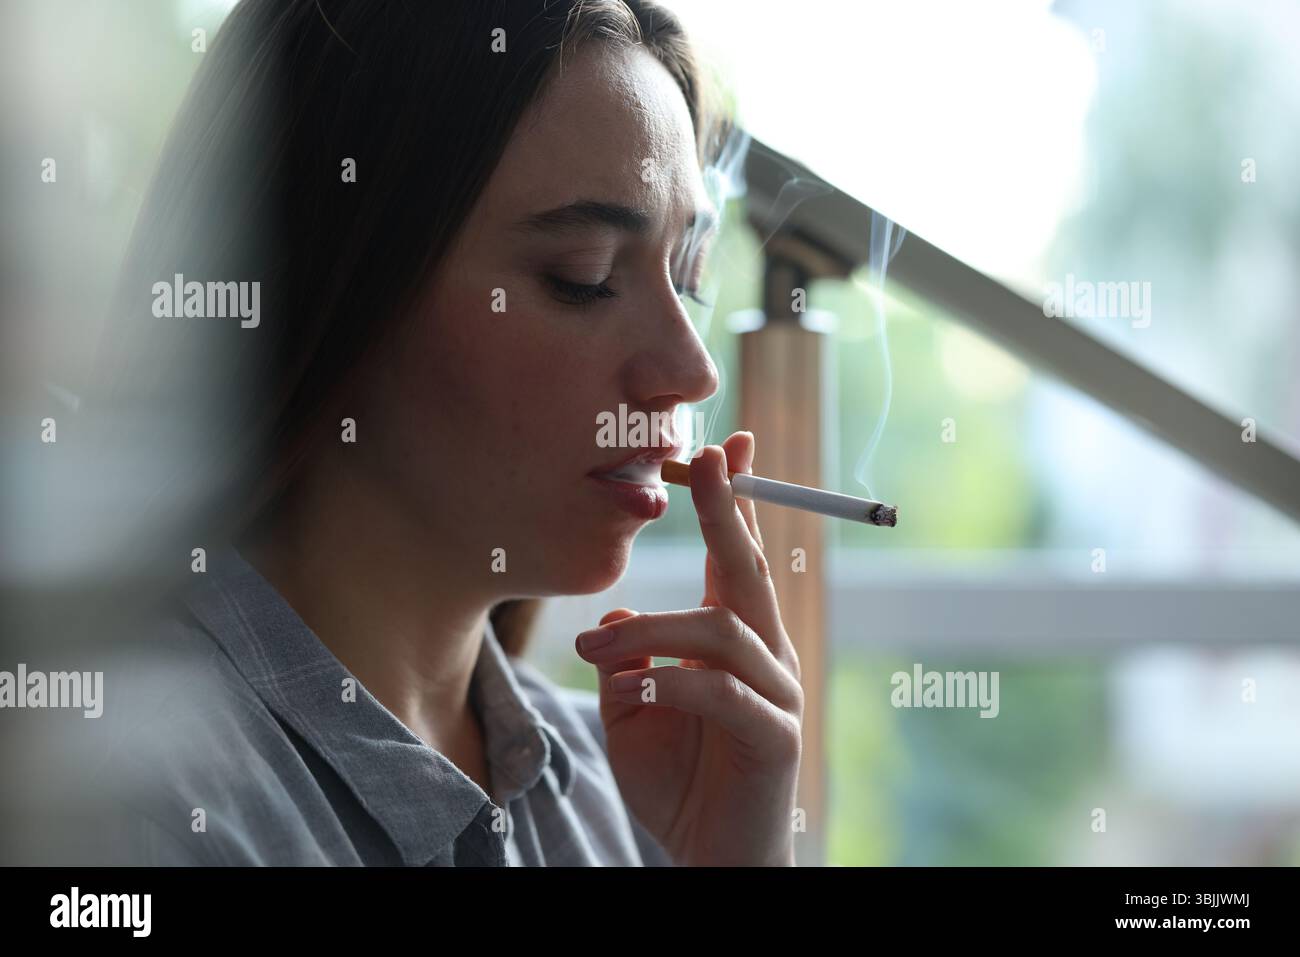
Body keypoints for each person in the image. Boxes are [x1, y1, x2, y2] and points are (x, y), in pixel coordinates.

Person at [79, 0, 803, 867]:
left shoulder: (645, 791)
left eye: (687, 278)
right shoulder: (127, 807)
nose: (692, 372)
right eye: (585, 277)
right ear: (343, 282)